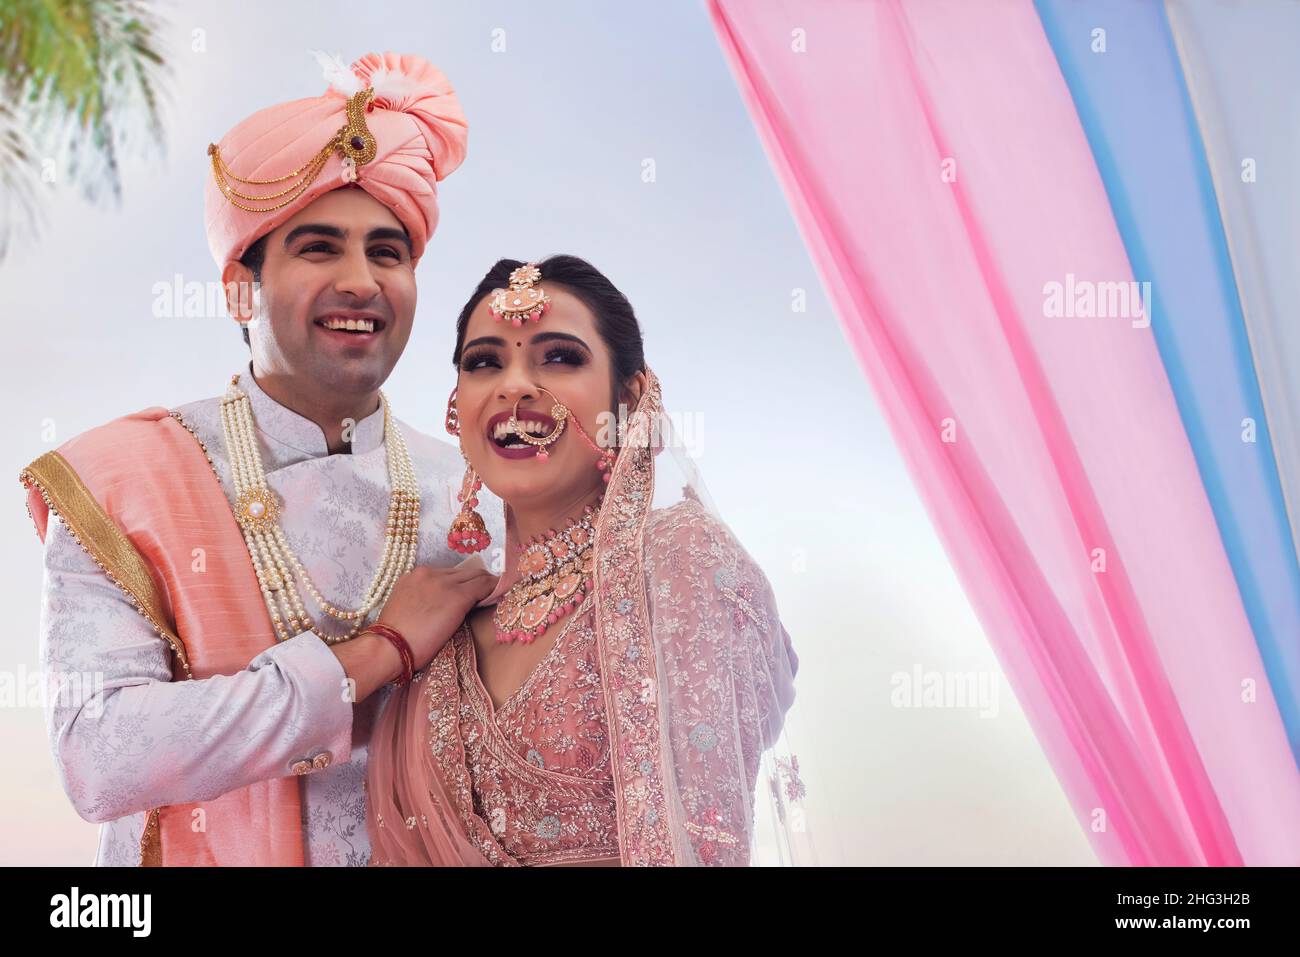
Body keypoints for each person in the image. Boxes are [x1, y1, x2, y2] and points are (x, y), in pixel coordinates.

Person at [17, 51, 502, 866]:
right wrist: (377, 651)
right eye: (320, 247)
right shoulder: (129, 479)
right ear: (240, 287)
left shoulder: (474, 491)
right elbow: (100, 756)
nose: (362, 280)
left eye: (389, 252)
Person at [365, 255, 811, 866]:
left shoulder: (679, 565)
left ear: (628, 399)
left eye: (559, 357)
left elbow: (709, 845)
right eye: (484, 362)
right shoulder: (442, 637)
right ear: (458, 409)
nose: (514, 385)